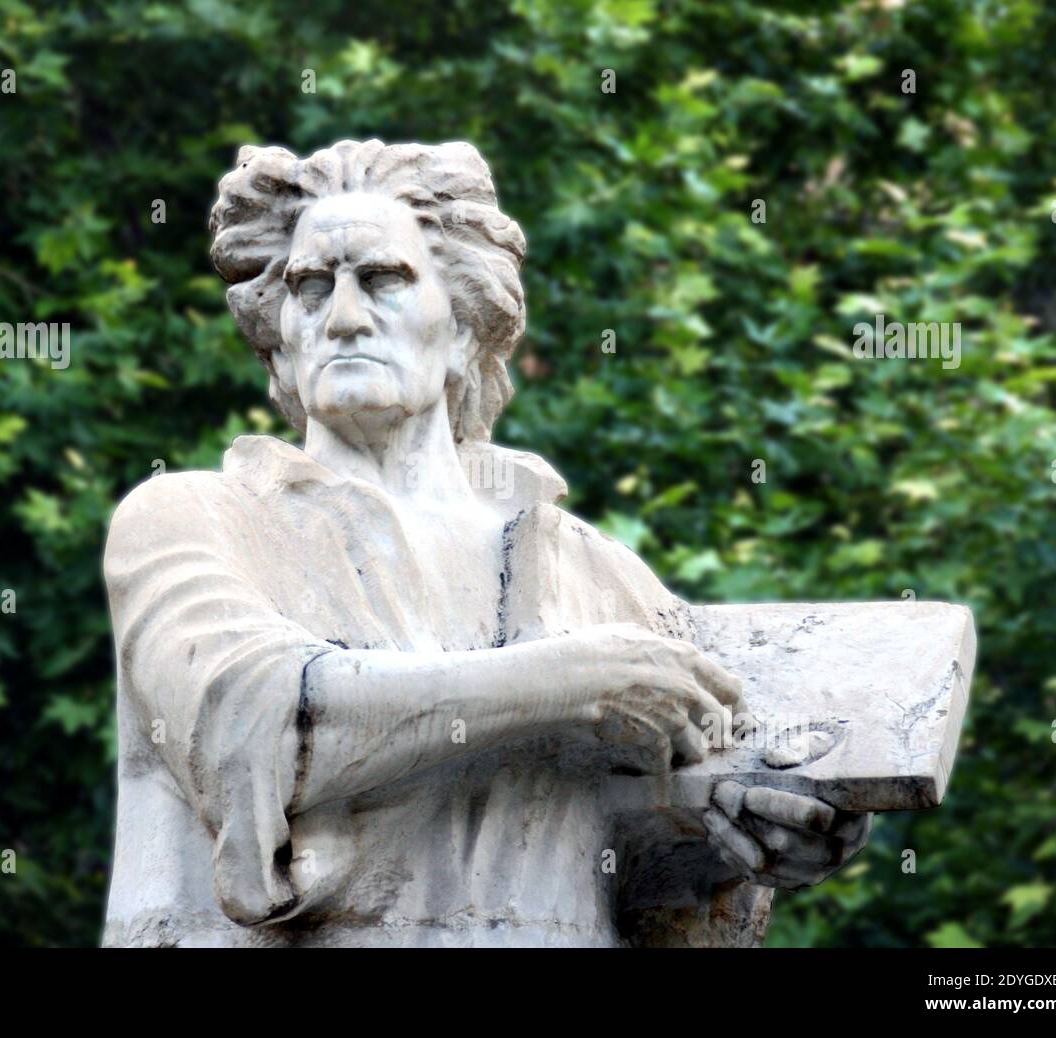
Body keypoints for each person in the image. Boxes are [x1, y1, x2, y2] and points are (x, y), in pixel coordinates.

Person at [101, 139, 870, 947]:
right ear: (281, 332)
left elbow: (641, 882)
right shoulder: (195, 516)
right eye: (310, 287)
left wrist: (737, 841)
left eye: (384, 279)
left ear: (466, 325)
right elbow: (247, 724)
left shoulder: (599, 577)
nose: (345, 316)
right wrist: (566, 682)